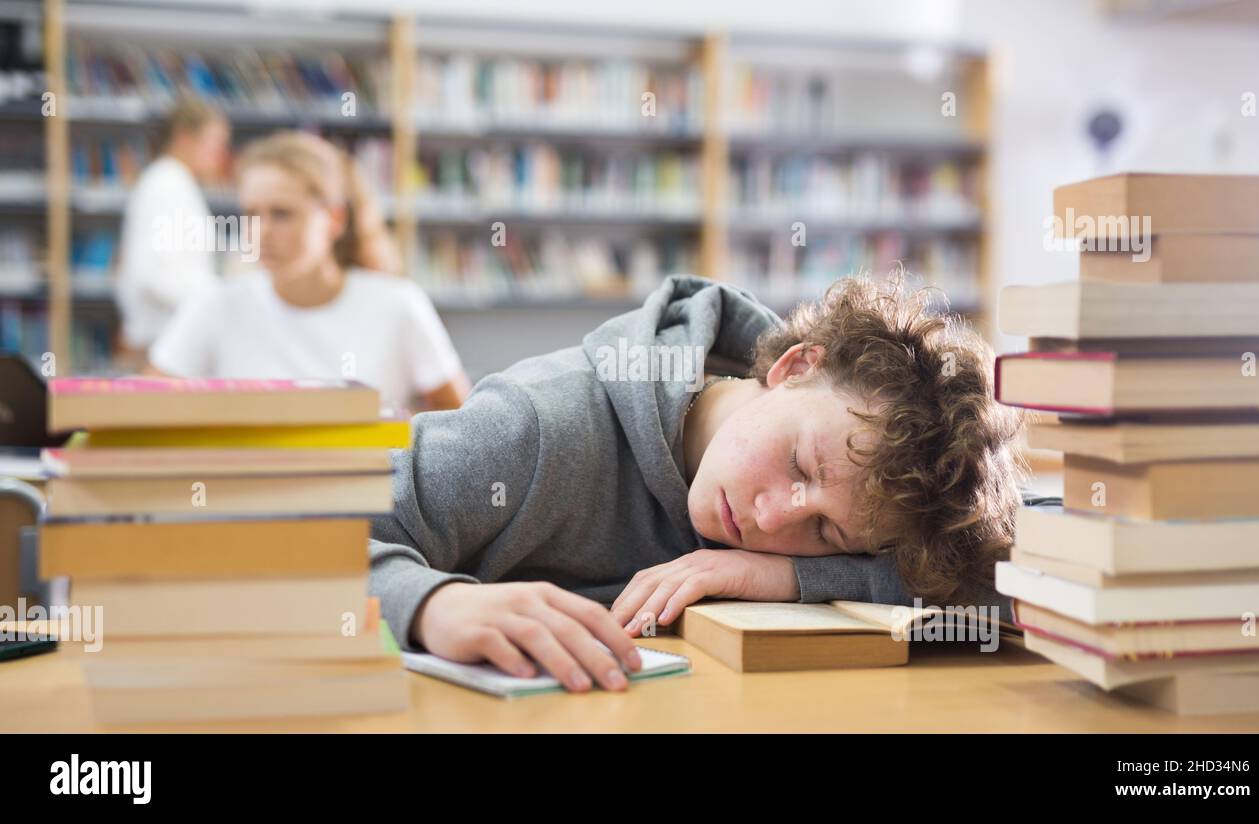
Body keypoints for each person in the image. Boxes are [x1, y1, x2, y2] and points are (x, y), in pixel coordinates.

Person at [369, 273, 1026, 693]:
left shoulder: (851, 495)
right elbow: (300, 533)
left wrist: (786, 578)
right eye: (800, 467)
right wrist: (432, 606)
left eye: (824, 531)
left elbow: (1016, 586)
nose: (772, 522)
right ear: (795, 366)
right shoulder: (534, 428)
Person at [149, 131, 471, 411]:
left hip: (371, 481)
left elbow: (465, 430)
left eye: (282, 214)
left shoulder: (398, 305)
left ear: (334, 219)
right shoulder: (217, 305)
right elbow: (139, 410)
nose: (260, 233)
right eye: (251, 214)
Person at [116, 96, 229, 356]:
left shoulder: (174, 182)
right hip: (164, 337)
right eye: (215, 144)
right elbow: (154, 274)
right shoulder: (167, 185)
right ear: (184, 138)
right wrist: (218, 300)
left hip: (170, 333)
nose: (221, 155)